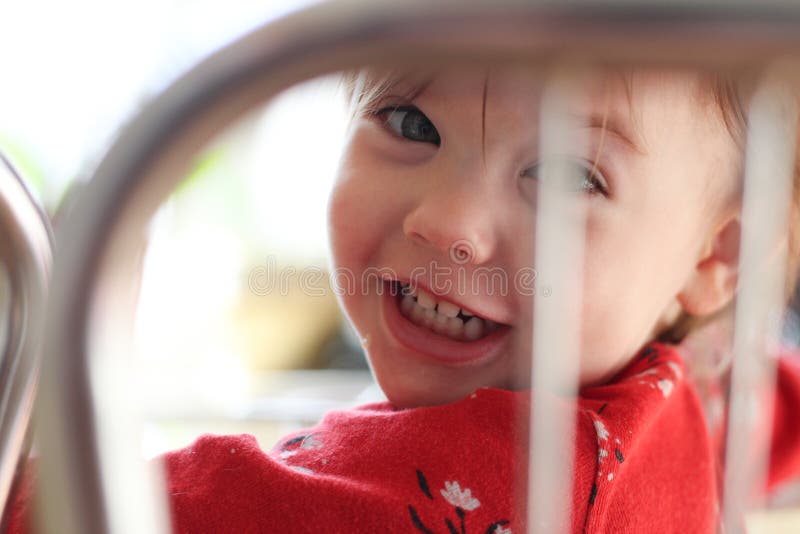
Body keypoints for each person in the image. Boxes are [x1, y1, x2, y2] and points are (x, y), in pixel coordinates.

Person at [9, 66, 800, 533]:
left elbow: (98, 511)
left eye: (566, 176)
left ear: (713, 256)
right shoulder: (696, 388)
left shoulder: (472, 482)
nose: (446, 223)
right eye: (411, 121)